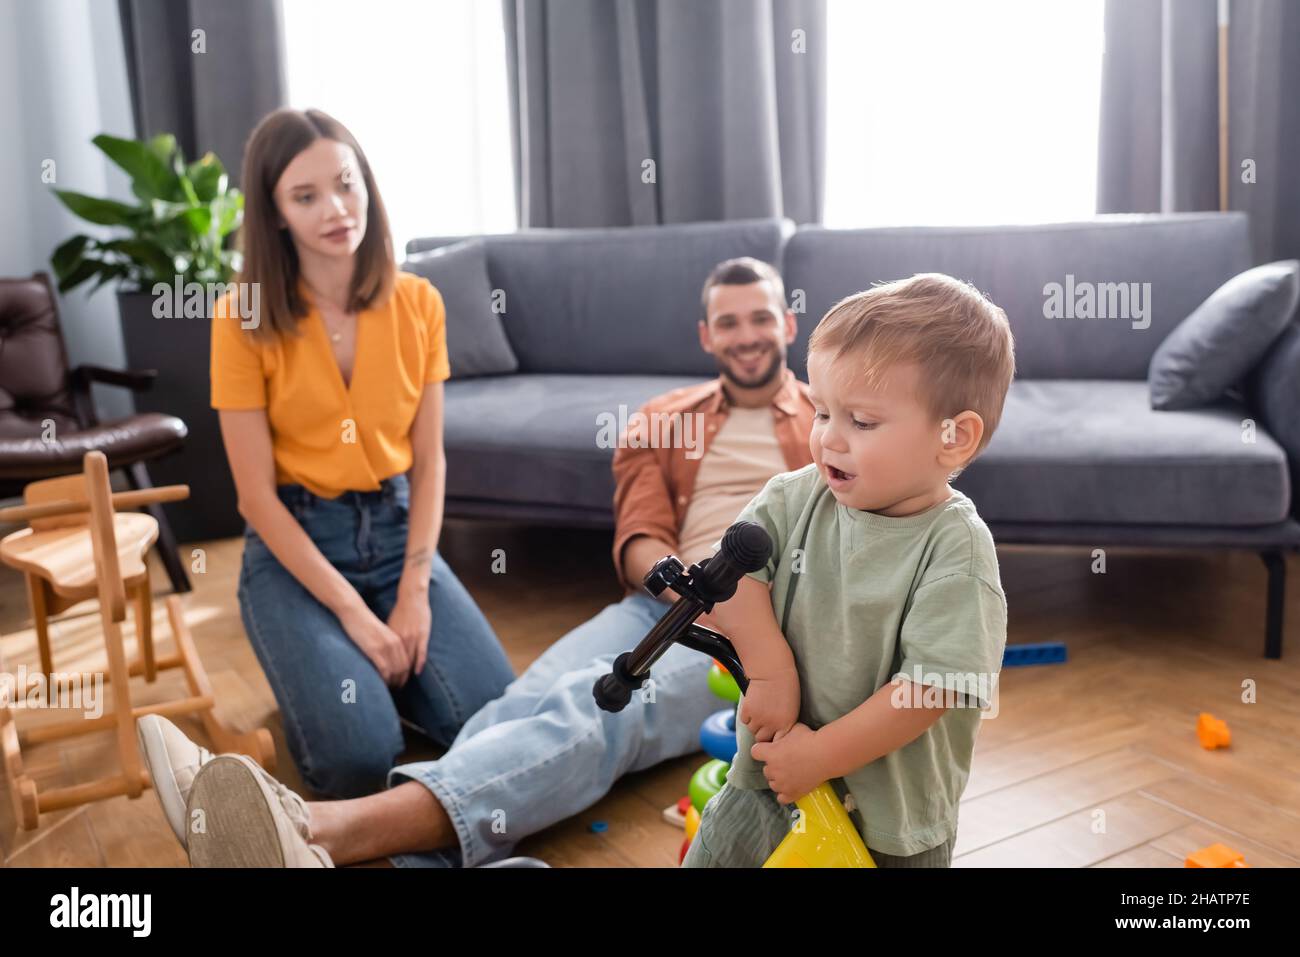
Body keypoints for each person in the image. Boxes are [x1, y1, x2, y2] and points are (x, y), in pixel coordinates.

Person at [140, 257, 818, 867]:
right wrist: (678, 582)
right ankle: (411, 849)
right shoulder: (664, 417)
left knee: (608, 713)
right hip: (665, 598)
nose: (747, 333)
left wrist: (745, 609)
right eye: (728, 321)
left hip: (754, 633)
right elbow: (639, 536)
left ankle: (320, 830)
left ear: (787, 321)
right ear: (707, 337)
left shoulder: (831, 420)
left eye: (761, 316)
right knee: (528, 695)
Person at [203, 106, 516, 806]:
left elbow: (429, 463)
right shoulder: (242, 316)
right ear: (275, 213)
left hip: (400, 533)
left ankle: (371, 686)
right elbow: (255, 497)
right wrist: (352, 614)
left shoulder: (419, 303)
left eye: (346, 184)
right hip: (295, 547)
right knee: (357, 760)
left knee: (499, 724)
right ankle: (343, 690)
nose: (336, 209)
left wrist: (411, 596)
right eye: (305, 196)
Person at [683, 273, 1014, 868]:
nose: (828, 439)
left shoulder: (956, 550)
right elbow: (729, 579)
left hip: (887, 822)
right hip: (764, 781)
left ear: (954, 437)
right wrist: (772, 672)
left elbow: (927, 690)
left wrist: (821, 757)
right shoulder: (793, 497)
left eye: (860, 422)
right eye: (820, 412)